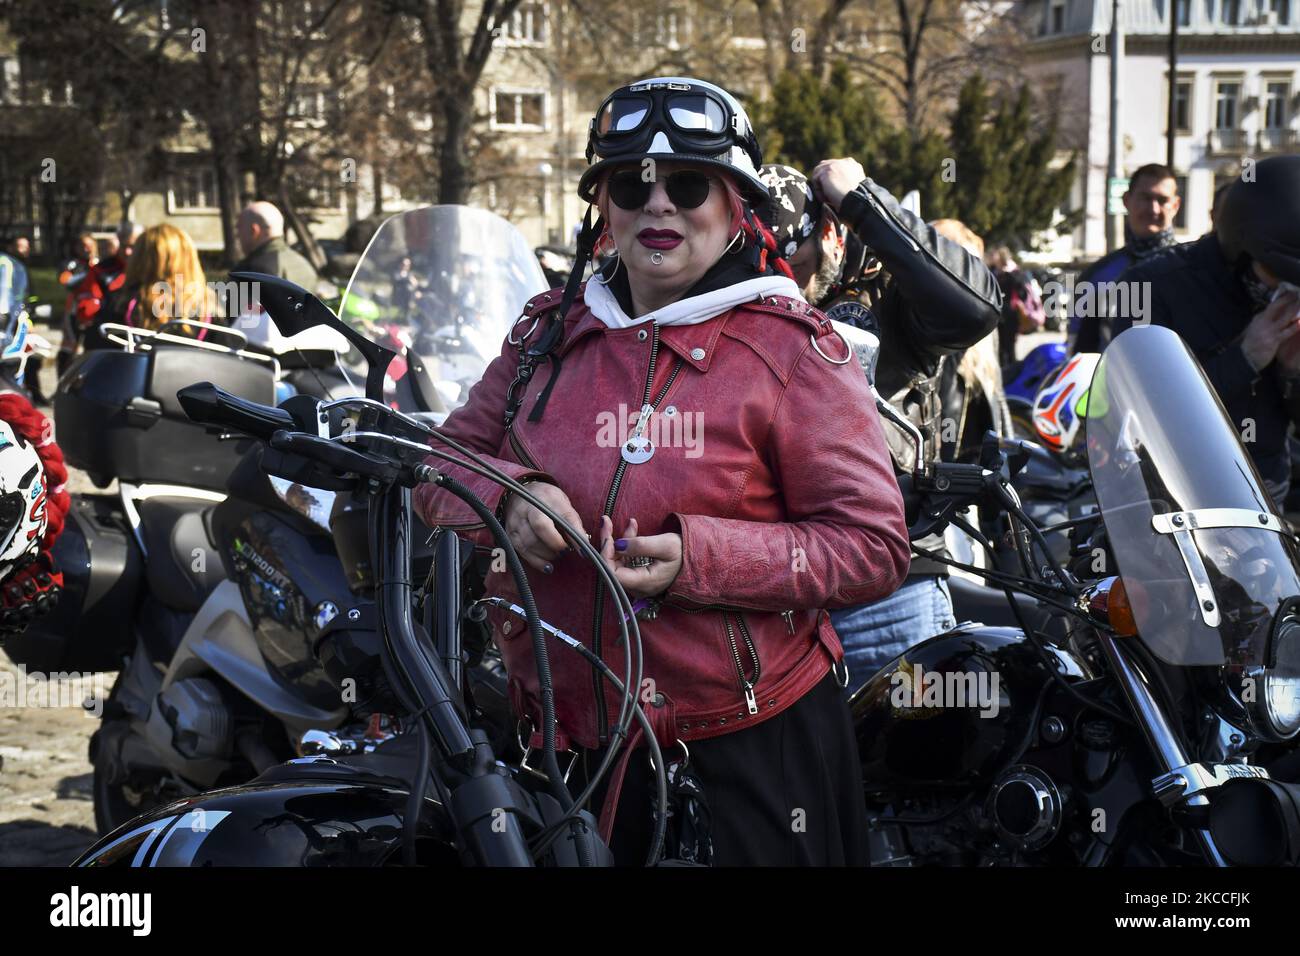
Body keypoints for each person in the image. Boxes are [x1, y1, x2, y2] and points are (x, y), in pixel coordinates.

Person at [414, 77, 910, 866]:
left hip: (749, 762)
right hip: (565, 751)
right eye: (631, 185)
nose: (659, 206)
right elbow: (438, 466)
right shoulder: (547, 332)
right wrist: (509, 500)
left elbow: (874, 547)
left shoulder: (797, 351)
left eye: (688, 184)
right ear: (601, 206)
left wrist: (701, 560)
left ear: (736, 202)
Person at [759, 162, 1002, 686]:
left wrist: (862, 201)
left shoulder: (890, 299)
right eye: (766, 260)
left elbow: (976, 309)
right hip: (776, 595)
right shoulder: (746, 306)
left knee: (920, 758)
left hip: (893, 590)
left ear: (827, 235)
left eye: (792, 258)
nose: (781, 278)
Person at [1112, 154, 1300, 508]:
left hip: (1265, 500)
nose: (1287, 293)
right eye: (1278, 275)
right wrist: (1243, 359)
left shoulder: (1289, 299)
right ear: (1242, 248)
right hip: (1174, 499)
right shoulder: (1151, 285)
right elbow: (1142, 413)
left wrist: (1293, 375)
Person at [1071, 163, 1180, 355]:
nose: (1153, 209)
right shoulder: (1097, 276)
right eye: (1145, 198)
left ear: (1176, 205)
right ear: (1127, 200)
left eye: (1162, 200)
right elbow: (1080, 354)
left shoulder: (1195, 269)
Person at [103, 224, 216, 334]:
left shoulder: (119, 304)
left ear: (138, 258)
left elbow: (96, 345)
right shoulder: (208, 308)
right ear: (189, 259)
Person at [78, 221, 144, 350]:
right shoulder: (102, 271)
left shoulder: (151, 270)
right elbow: (86, 309)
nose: (128, 252)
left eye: (133, 246)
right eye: (124, 246)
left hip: (143, 341)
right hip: (107, 340)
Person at [231, 201, 319, 291]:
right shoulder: (304, 265)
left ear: (254, 231)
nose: (237, 236)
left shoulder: (251, 272)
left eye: (239, 230)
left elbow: (237, 304)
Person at [56, 234, 100, 378]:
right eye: (83, 245)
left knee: (92, 349)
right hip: (74, 312)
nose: (86, 249)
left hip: (95, 315)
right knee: (68, 349)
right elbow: (66, 282)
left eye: (89, 245)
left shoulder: (101, 264)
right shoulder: (72, 264)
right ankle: (62, 381)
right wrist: (90, 274)